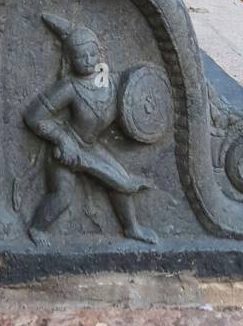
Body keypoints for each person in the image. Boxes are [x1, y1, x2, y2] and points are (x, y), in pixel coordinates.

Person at [25, 14, 156, 245]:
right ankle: (37, 228)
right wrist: (61, 139)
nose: (87, 60)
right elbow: (34, 116)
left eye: (92, 54)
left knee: (121, 181)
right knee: (62, 197)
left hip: (91, 146)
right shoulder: (69, 87)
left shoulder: (114, 83)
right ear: (69, 59)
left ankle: (132, 228)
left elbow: (136, 102)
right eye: (80, 56)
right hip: (67, 148)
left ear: (100, 54)